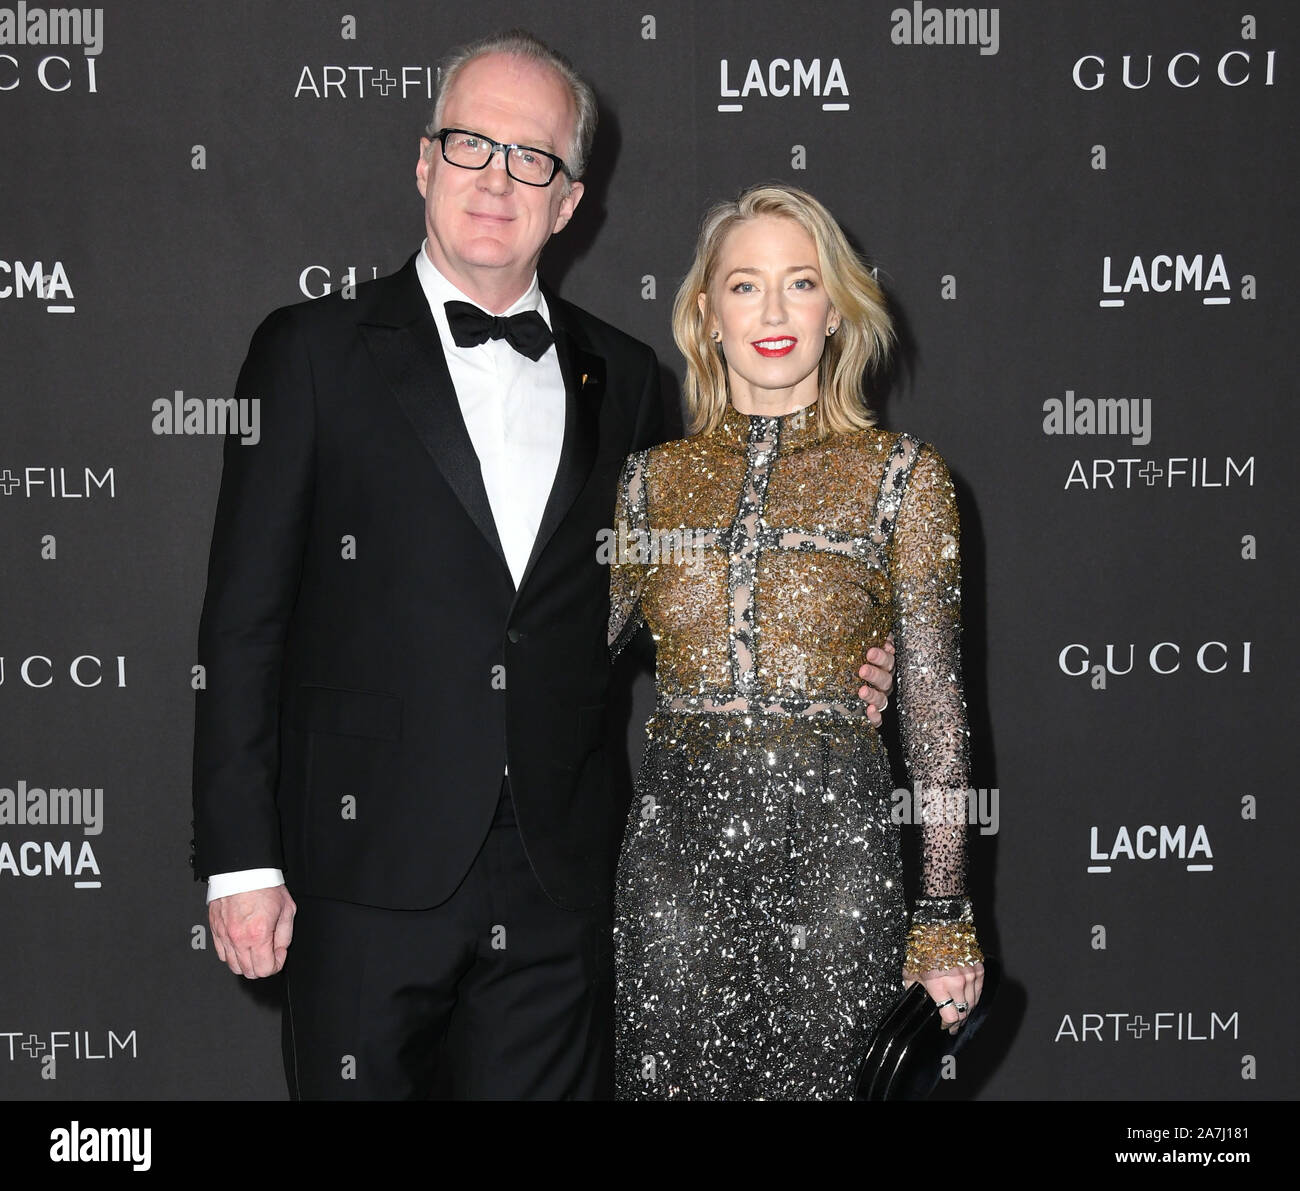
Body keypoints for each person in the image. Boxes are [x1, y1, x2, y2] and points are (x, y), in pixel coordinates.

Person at [191, 29, 899, 1100]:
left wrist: (827, 656)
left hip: (563, 879)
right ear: (423, 160)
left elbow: (674, 605)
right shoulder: (308, 352)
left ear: (568, 201)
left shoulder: (624, 375)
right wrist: (243, 861)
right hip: (362, 872)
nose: (497, 178)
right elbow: (242, 622)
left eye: (533, 159)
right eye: (471, 144)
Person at [609, 182, 984, 1100]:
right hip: (672, 879)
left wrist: (942, 917)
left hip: (839, 865)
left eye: (801, 283)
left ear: (836, 311)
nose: (772, 311)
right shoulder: (646, 484)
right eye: (744, 285)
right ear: (707, 313)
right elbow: (555, 669)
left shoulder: (905, 477)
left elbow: (935, 708)